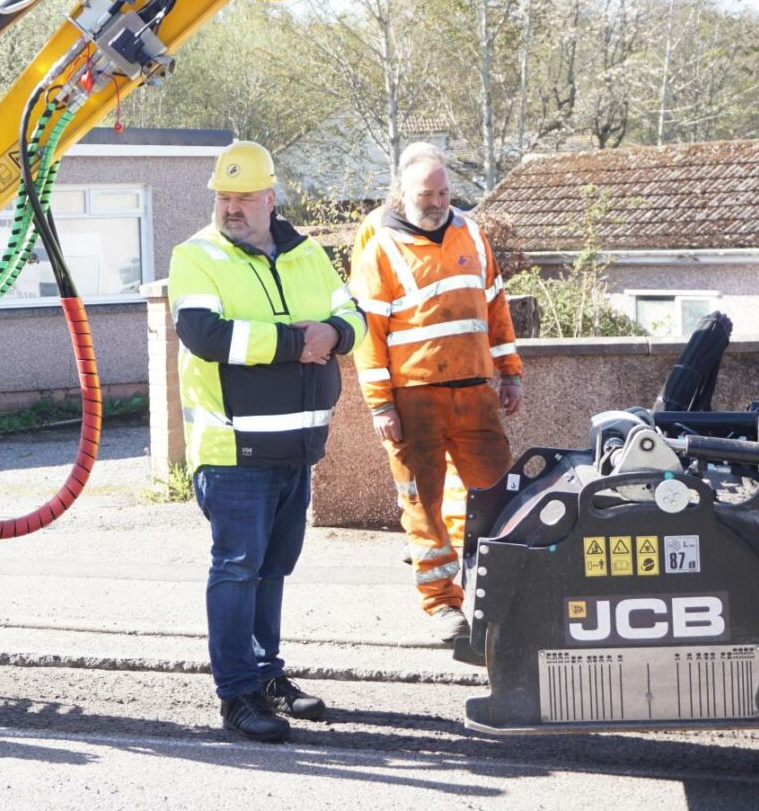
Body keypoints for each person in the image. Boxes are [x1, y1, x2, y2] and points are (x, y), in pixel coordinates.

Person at [168, 140, 366, 743]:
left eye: (243, 198)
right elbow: (204, 335)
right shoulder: (195, 256)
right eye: (224, 197)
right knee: (237, 569)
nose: (232, 208)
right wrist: (295, 343)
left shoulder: (308, 256)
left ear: (270, 199)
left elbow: (353, 316)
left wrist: (332, 332)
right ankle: (237, 695)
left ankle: (266, 673)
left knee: (273, 568)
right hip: (231, 454)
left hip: (296, 448)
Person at [349, 142, 522, 644]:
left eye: (445, 191)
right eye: (427, 193)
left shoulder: (471, 232)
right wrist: (380, 403)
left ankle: (504, 599)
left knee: (498, 498)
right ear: (403, 192)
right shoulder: (380, 242)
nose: (438, 201)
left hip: (474, 394)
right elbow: (369, 332)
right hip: (413, 397)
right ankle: (444, 606)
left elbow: (495, 307)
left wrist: (509, 372)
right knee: (421, 505)